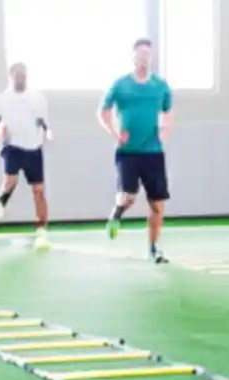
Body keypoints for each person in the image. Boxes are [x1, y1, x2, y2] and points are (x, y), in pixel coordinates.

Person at [98, 38, 173, 264]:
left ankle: (154, 248)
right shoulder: (120, 85)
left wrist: (164, 130)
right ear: (133, 58)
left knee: (157, 204)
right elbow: (103, 111)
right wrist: (114, 132)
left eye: (147, 55)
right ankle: (117, 213)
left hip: (153, 153)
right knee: (128, 197)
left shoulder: (160, 86)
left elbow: (168, 111)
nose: (143, 59)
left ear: (151, 58)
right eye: (139, 54)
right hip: (127, 152)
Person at [0, 62, 51, 248]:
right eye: (17, 75)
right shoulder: (1, 100)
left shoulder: (37, 98)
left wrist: (46, 133)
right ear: (11, 76)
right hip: (12, 147)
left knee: (38, 191)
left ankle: (42, 230)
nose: (21, 78)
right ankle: (0, 205)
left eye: (23, 74)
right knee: (10, 181)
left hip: (33, 148)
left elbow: (43, 122)